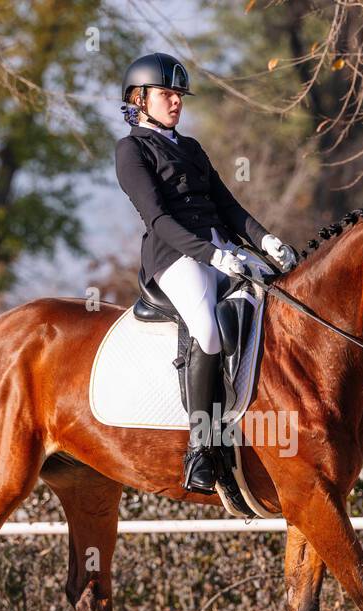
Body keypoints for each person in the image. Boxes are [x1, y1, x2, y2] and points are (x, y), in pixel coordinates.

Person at [114, 52, 297, 494]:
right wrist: (211, 256)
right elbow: (158, 220)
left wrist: (265, 240)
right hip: (175, 258)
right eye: (166, 94)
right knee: (209, 332)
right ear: (139, 99)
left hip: (223, 249)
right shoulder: (131, 150)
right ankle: (202, 446)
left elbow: (228, 206)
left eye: (179, 95)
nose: (176, 102)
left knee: (271, 308)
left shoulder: (191, 148)